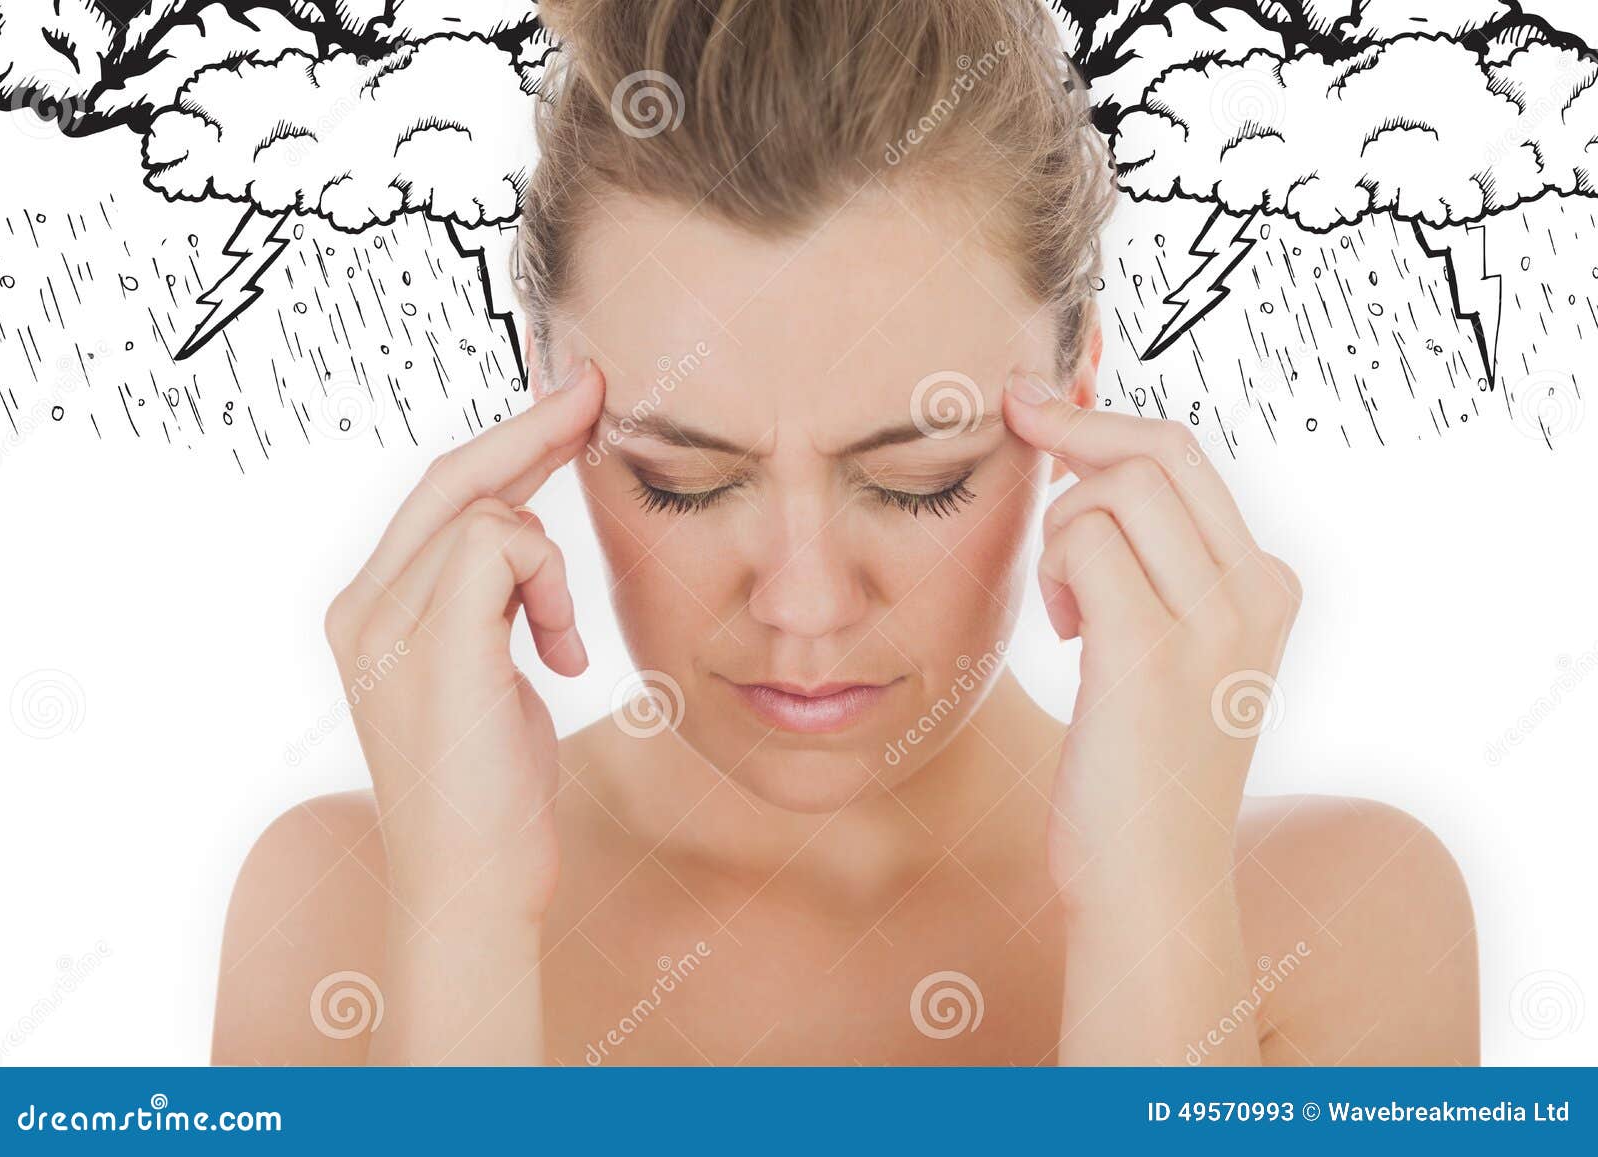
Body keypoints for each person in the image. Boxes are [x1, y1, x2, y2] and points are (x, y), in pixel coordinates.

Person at [212, 0, 1477, 1066]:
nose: (804, 607)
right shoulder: (341, 911)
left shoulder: (1341, 913)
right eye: (682, 480)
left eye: (919, 479)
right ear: (547, 402)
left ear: (1076, 394)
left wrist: (1155, 910)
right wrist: (464, 927)